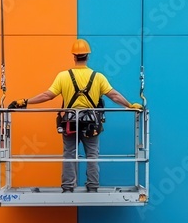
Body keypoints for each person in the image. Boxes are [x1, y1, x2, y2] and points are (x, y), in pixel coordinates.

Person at [8, 39, 142, 192]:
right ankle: (92, 186)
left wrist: (25, 102)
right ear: (87, 56)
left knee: (70, 153)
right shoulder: (97, 77)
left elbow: (47, 95)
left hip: (70, 123)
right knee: (92, 154)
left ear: (74, 56)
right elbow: (114, 95)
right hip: (91, 123)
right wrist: (130, 105)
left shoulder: (63, 76)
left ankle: (68, 187)